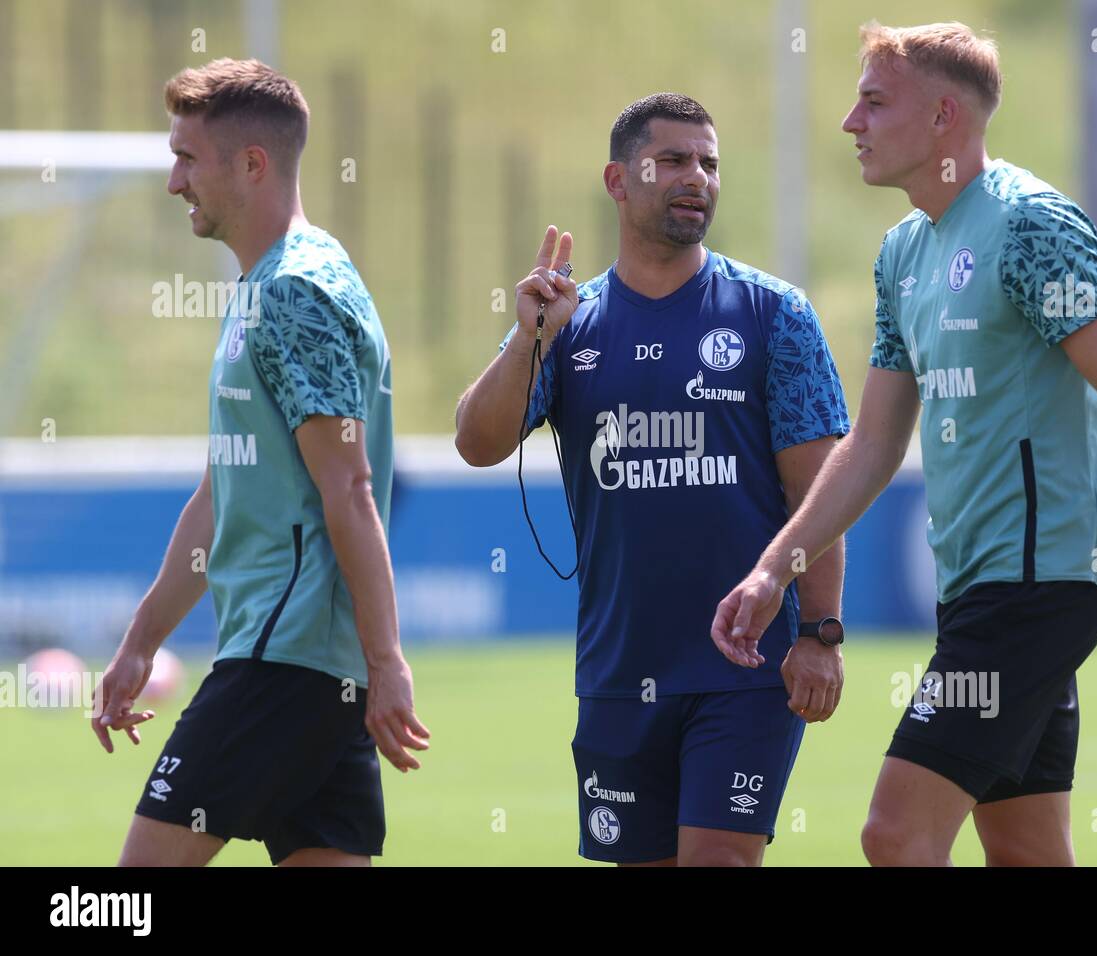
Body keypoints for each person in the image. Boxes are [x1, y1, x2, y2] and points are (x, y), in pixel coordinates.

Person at [711, 22, 1097, 866]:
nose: (849, 122)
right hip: (979, 591)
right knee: (1025, 847)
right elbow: (873, 443)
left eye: (874, 101)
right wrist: (777, 568)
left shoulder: (1031, 226)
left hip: (1038, 587)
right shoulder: (902, 253)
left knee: (896, 834)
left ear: (944, 116)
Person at [455, 93, 851, 866]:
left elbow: (822, 494)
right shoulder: (571, 318)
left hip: (744, 669)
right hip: (618, 669)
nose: (695, 178)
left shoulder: (774, 315)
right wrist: (527, 342)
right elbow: (478, 442)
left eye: (708, 163)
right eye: (671, 160)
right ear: (617, 179)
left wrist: (818, 631)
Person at [92, 58, 428, 867]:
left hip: (288, 658)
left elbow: (348, 487)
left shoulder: (295, 293)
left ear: (252, 163)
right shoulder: (264, 287)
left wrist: (387, 662)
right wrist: (141, 642)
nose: (174, 181)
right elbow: (221, 491)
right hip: (307, 662)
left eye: (186, 159)